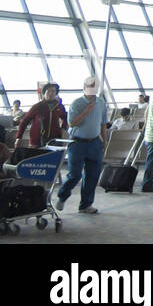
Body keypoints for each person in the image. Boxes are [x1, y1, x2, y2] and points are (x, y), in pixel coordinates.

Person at [54, 76, 109, 215]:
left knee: (92, 175)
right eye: (90, 86)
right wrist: (86, 111)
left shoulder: (101, 102)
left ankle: (85, 205)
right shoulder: (76, 103)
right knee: (75, 174)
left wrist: (105, 141)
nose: (93, 89)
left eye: (95, 86)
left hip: (95, 142)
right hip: (77, 143)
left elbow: (103, 123)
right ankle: (62, 196)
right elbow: (72, 123)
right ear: (84, 88)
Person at [16, 83, 65, 147]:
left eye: (53, 91)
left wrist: (63, 128)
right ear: (44, 93)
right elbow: (24, 121)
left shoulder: (59, 106)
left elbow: (65, 118)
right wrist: (19, 137)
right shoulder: (37, 106)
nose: (51, 93)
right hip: (36, 141)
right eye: (48, 91)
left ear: (56, 93)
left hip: (54, 140)